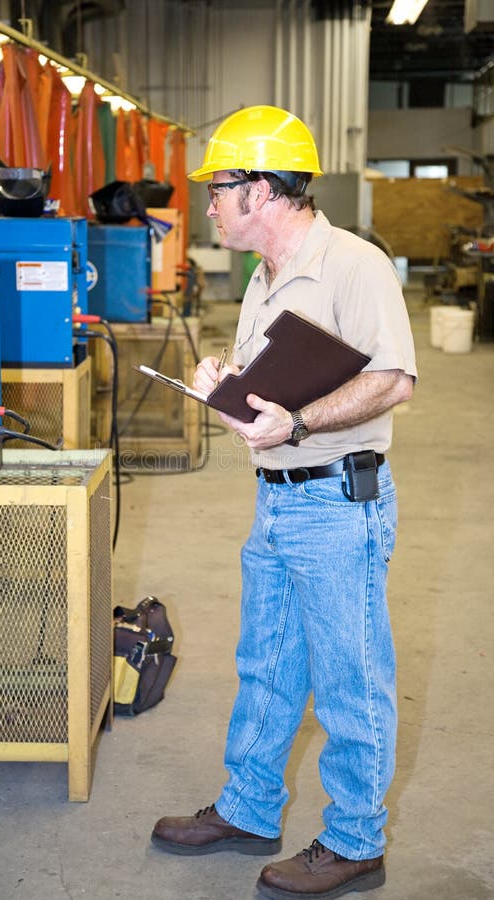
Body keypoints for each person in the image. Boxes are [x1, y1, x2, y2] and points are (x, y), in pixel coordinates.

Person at [151, 105, 417, 899]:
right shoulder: (264, 277)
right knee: (266, 665)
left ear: (261, 190)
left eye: (218, 189)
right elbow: (277, 380)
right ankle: (249, 808)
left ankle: (355, 841)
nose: (208, 205)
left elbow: (393, 380)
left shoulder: (353, 264)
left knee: (350, 676)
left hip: (339, 502)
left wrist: (296, 421)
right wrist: (224, 385)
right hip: (278, 502)